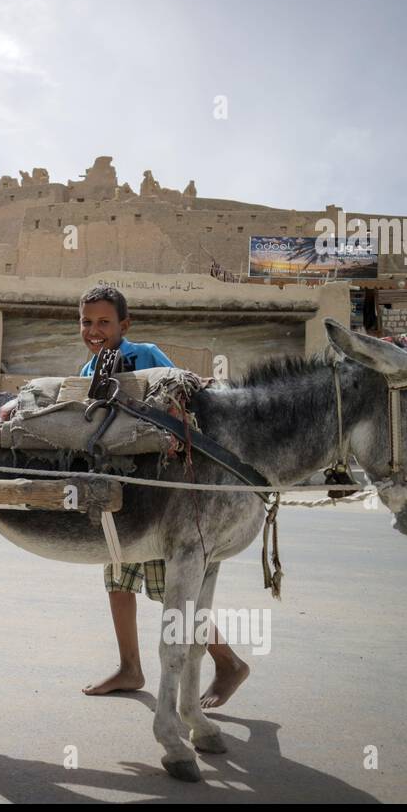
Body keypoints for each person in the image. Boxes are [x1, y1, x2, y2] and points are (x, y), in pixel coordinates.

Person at [74, 286, 250, 707]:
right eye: (86, 322)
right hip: (124, 494)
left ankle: (228, 663)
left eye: (103, 322)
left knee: (173, 591)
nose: (94, 330)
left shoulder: (147, 356)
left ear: (124, 326)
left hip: (164, 499)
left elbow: (187, 396)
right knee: (116, 579)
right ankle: (130, 668)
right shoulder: (88, 369)